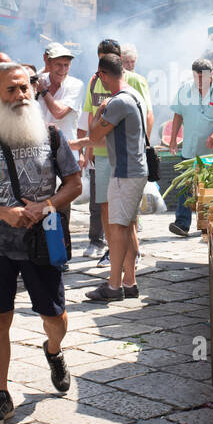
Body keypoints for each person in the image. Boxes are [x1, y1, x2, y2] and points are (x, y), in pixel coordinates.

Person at [0, 62, 82, 424]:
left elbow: (74, 185)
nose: (20, 96)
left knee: (54, 317)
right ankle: (1, 394)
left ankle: (54, 351)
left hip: (41, 243)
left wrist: (45, 205)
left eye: (25, 88)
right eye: (11, 90)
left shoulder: (53, 136)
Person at [78, 40, 150, 262]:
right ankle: (113, 253)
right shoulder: (94, 81)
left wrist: (142, 145)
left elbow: (147, 115)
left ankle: (131, 253)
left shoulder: (135, 81)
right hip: (101, 155)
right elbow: (89, 114)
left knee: (127, 212)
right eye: (100, 59)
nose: (102, 69)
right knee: (106, 208)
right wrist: (86, 150)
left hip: (126, 156)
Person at [84, 53, 146, 302]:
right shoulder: (134, 93)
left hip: (124, 171)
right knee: (128, 225)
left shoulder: (117, 102)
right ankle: (129, 283)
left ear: (103, 75)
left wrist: (99, 112)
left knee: (117, 227)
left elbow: (95, 135)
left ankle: (113, 286)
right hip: (135, 170)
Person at [169, 58, 213, 236]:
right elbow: (177, 114)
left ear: (212, 73)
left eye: (204, 77)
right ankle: (182, 223)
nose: (200, 81)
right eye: (197, 77)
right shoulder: (185, 89)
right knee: (185, 185)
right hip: (191, 148)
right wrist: (173, 139)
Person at [35, 42, 84, 146]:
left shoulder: (76, 85)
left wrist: (44, 91)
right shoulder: (37, 80)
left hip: (67, 150)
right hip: (40, 150)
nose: (63, 70)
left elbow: (59, 112)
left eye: (66, 65)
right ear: (49, 64)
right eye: (58, 64)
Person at [119, 44, 154, 139]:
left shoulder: (139, 80)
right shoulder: (114, 78)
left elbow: (148, 113)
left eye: (132, 62)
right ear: (120, 61)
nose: (130, 65)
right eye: (126, 62)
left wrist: (147, 141)